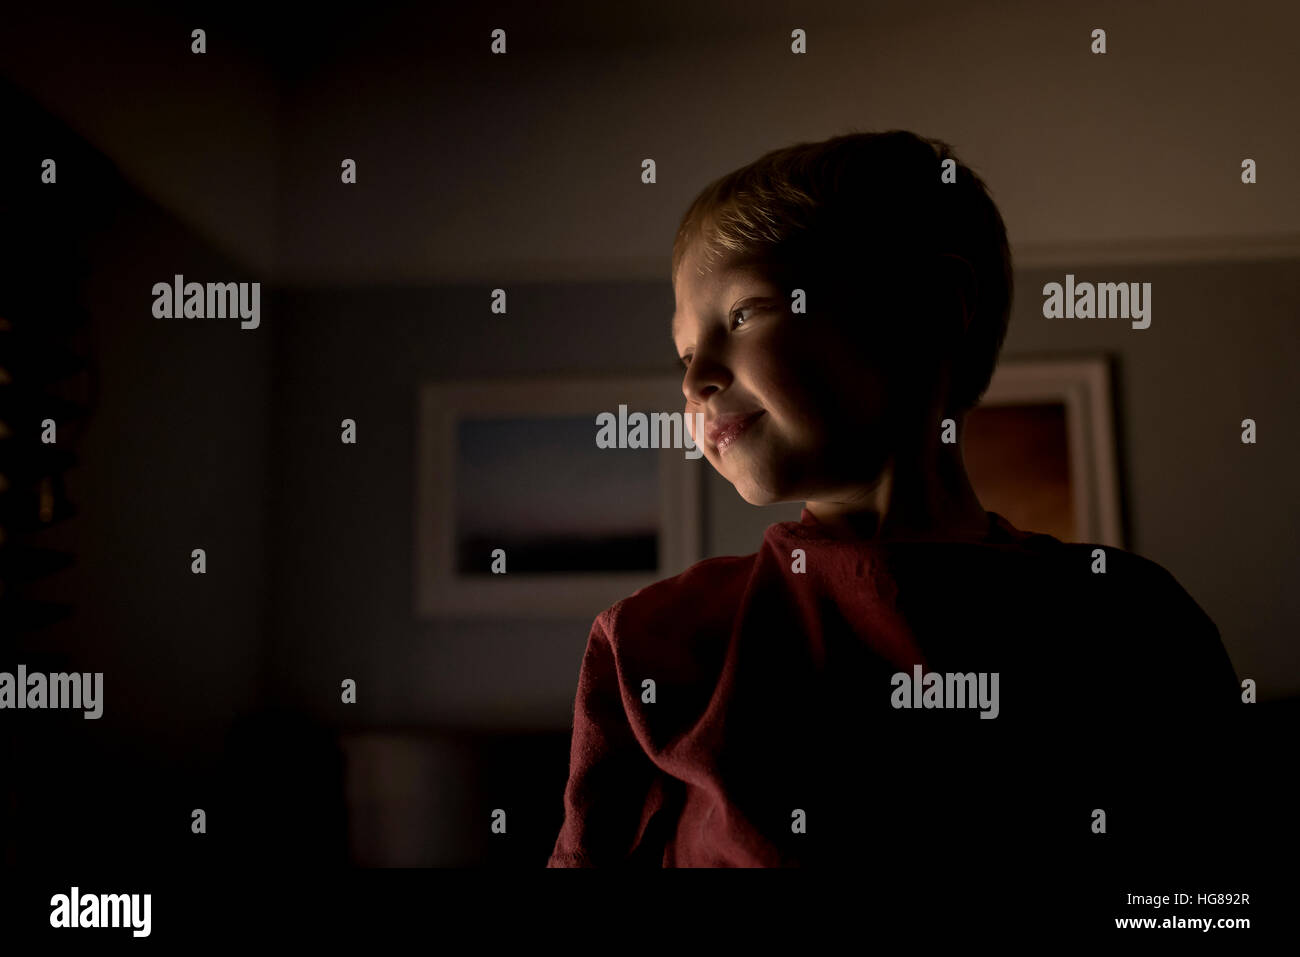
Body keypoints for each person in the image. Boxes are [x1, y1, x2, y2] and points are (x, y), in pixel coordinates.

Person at [547, 131, 1241, 879]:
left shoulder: (1134, 620)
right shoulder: (653, 642)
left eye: (745, 313)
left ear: (932, 309)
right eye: (685, 353)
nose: (696, 380)